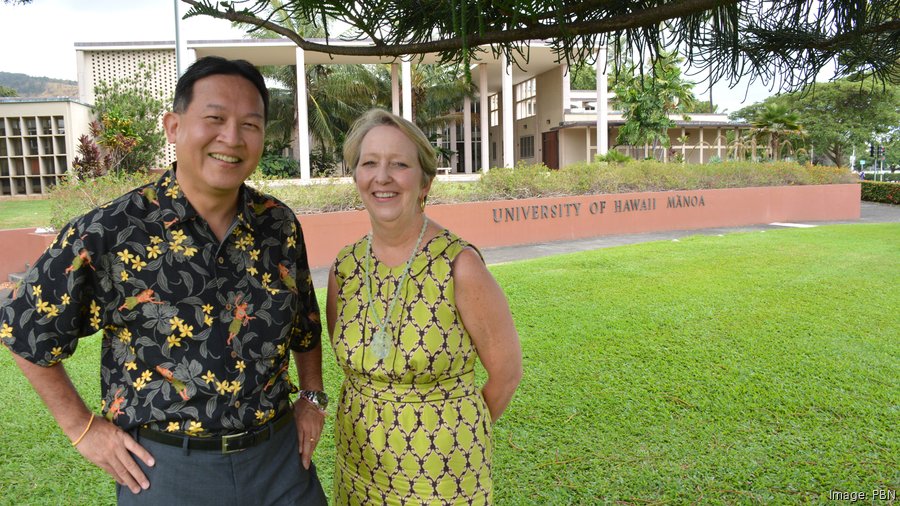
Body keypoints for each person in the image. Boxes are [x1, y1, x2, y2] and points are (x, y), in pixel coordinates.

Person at [0, 57, 327, 505]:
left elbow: (304, 323)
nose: (231, 138)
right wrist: (82, 428)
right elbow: (25, 328)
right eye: (214, 118)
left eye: (249, 124)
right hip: (168, 473)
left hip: (280, 467)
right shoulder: (110, 232)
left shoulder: (279, 225)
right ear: (173, 127)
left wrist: (312, 395)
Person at [326, 109, 523, 504]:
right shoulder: (344, 267)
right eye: (370, 163)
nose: (382, 177)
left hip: (442, 472)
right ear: (357, 178)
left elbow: (507, 373)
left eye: (399, 164)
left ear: (425, 181)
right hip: (358, 465)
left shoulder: (459, 265)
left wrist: (453, 429)